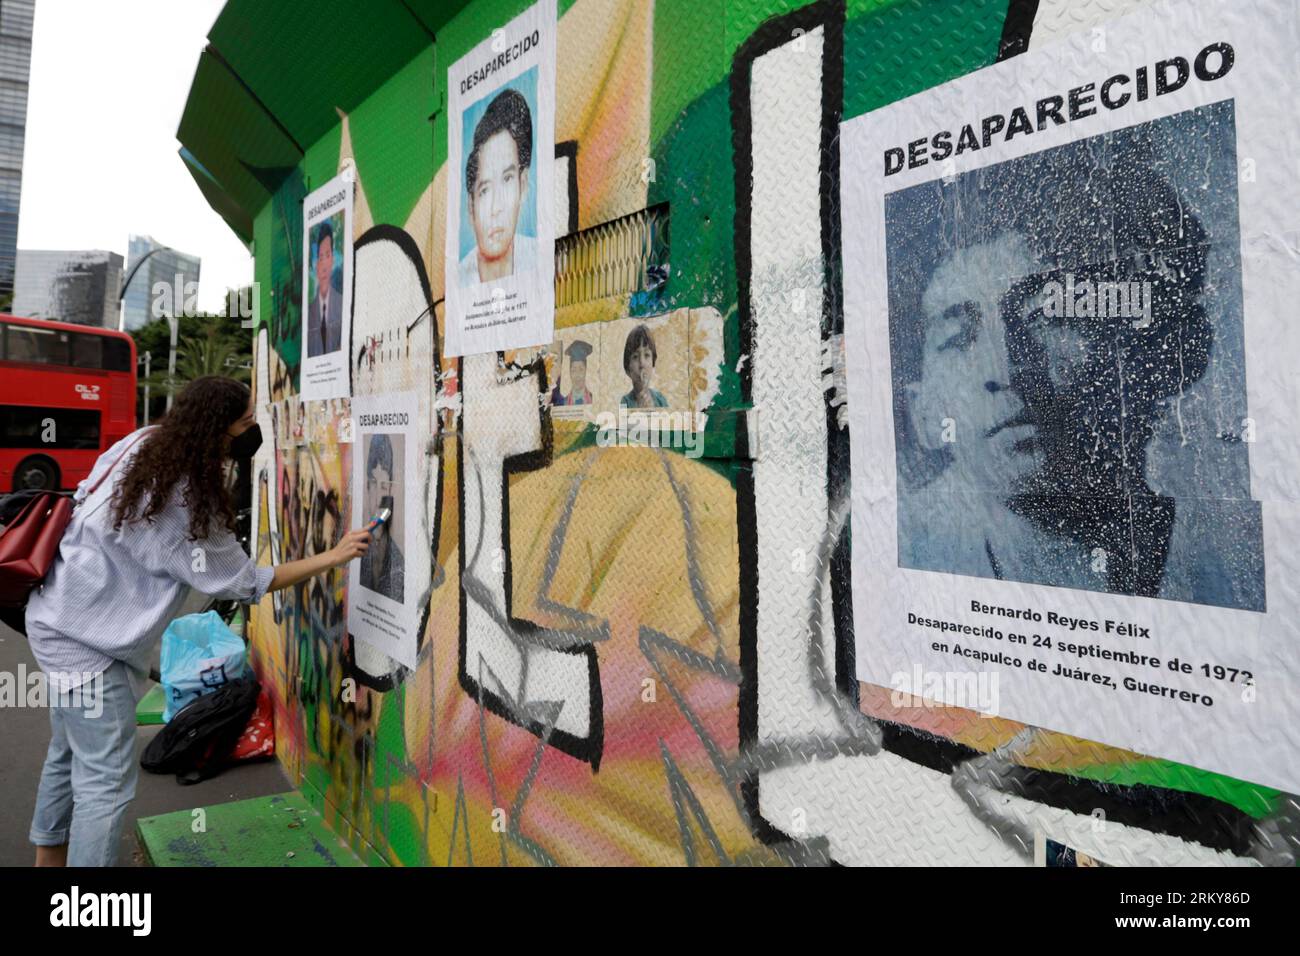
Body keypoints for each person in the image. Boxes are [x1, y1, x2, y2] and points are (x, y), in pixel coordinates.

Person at [892, 113, 1263, 610]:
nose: (1005, 371)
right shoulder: (915, 546)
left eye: (1044, 317)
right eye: (959, 339)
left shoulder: (1224, 559)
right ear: (922, 413)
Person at [25, 376, 372, 867]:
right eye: (247, 421)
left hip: (56, 614)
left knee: (68, 753)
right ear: (218, 427)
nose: (253, 430)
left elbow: (85, 492)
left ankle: (49, 861)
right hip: (88, 647)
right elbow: (247, 583)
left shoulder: (143, 443)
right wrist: (332, 556)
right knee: (106, 784)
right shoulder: (188, 503)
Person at [459, 88, 536, 287]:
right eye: (484, 190)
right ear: (471, 207)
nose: (496, 208)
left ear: (524, 185)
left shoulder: (540, 260)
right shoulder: (459, 281)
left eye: (507, 179)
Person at [358, 433, 405, 603]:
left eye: (384, 486)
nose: (378, 499)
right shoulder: (357, 554)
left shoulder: (400, 564)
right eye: (373, 483)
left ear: (391, 491)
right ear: (367, 488)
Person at [307, 221, 343, 356]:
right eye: (320, 257)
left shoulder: (342, 304)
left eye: (327, 255)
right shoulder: (309, 313)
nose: (324, 264)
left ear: (333, 259)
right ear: (315, 264)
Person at [619, 323, 669, 409]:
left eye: (647, 355)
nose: (642, 364)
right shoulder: (625, 402)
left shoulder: (661, 400)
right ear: (628, 370)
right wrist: (639, 411)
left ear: (653, 363)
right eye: (635, 357)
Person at [552, 339, 593, 406]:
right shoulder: (563, 403)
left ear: (586, 371)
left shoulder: (594, 401)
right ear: (570, 372)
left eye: (581, 369)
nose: (577, 375)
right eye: (573, 370)